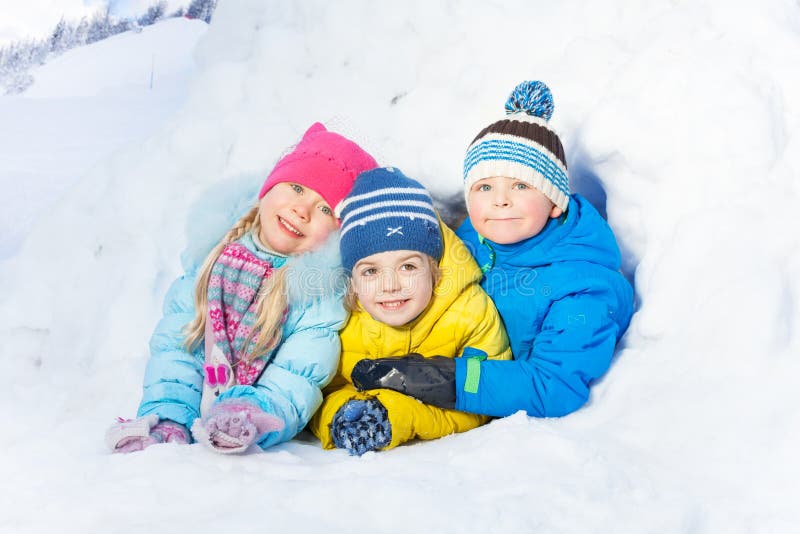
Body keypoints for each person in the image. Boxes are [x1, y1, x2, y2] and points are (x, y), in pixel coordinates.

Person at [352, 81, 634, 418]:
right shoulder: (476, 234)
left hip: (478, 393)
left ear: (555, 203)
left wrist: (447, 379)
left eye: (521, 185)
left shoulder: (583, 289)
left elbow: (553, 385)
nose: (500, 200)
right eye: (484, 186)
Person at [105, 122, 378, 454]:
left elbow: (297, 375)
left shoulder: (317, 295)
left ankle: (236, 418)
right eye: (295, 187)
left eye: (324, 209)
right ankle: (167, 424)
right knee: (174, 376)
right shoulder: (214, 255)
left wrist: (252, 411)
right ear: (268, 187)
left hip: (256, 406)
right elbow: (178, 345)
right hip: (189, 392)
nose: (301, 210)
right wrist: (168, 412)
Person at [308, 167, 512, 455]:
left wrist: (402, 415)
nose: (390, 285)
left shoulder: (470, 313)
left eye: (408, 266)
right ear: (351, 281)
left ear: (434, 270)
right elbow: (317, 395)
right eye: (370, 271)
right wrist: (343, 414)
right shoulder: (340, 322)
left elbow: (484, 397)